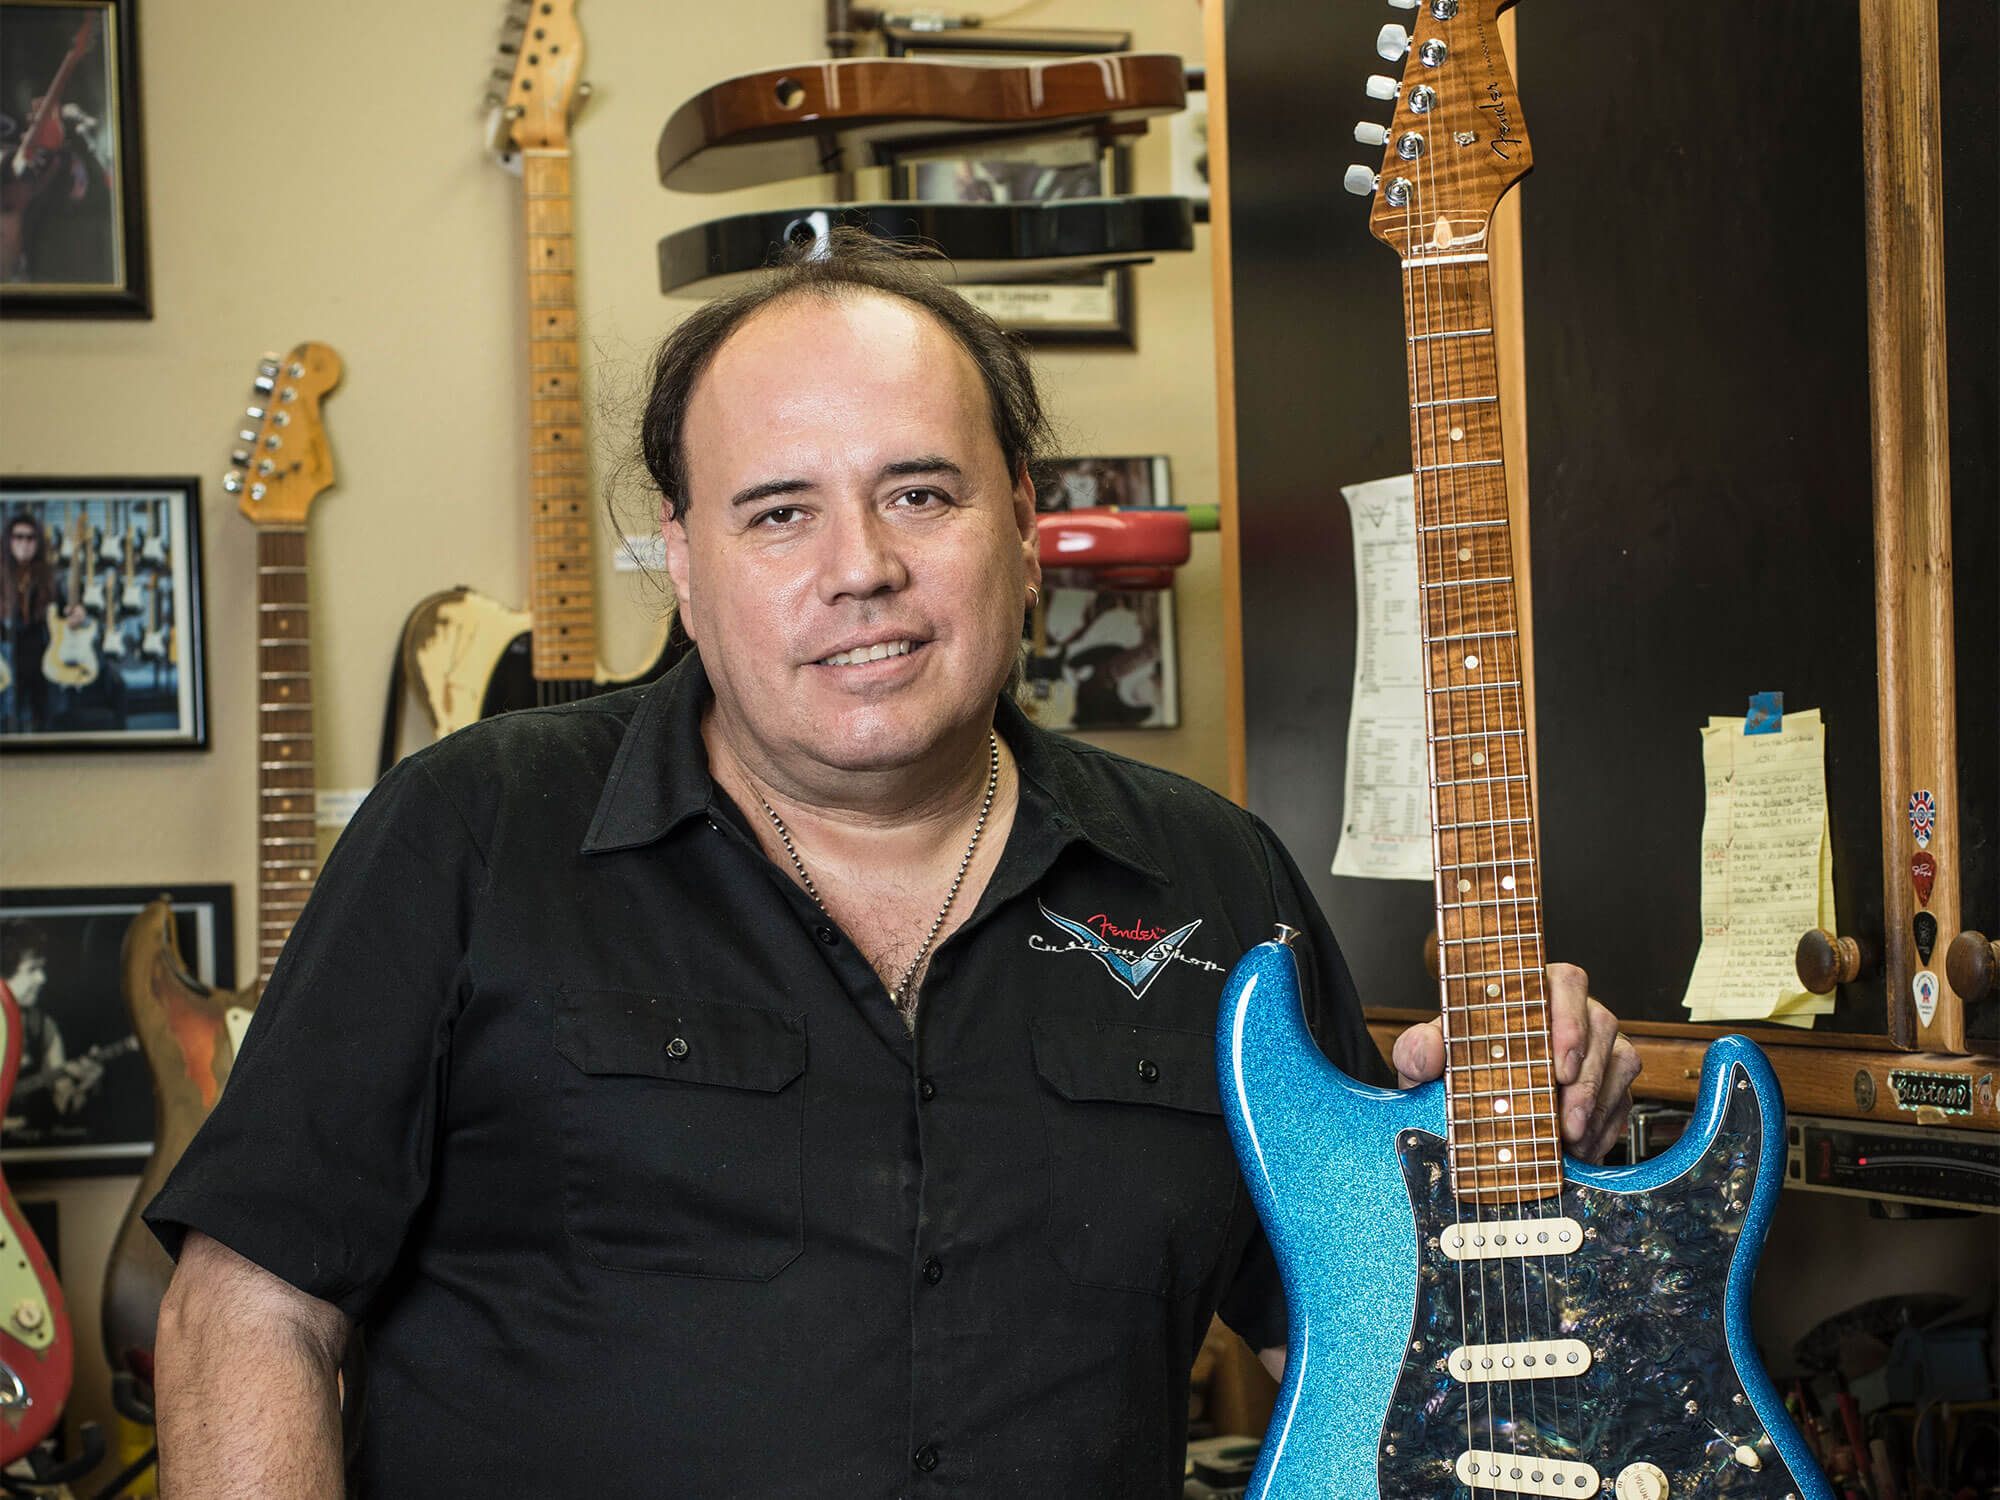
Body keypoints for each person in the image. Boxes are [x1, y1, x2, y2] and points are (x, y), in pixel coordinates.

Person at [146, 235, 1640, 1497]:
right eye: (778, 512)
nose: (858, 566)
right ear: (684, 560)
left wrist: (1516, 1150)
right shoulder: (470, 831)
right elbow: (252, 1315)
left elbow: (1374, 1341)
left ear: (1025, 527)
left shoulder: (1212, 882)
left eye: (920, 492)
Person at [0, 509, 79, 733]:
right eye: (18, 537)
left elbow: (65, 612)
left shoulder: (51, 576)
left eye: (30, 538)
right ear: (8, 541)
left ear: (38, 543)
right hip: (6, 654)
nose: (24, 543)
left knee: (43, 720)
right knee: (7, 720)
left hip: (42, 655)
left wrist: (76, 615)